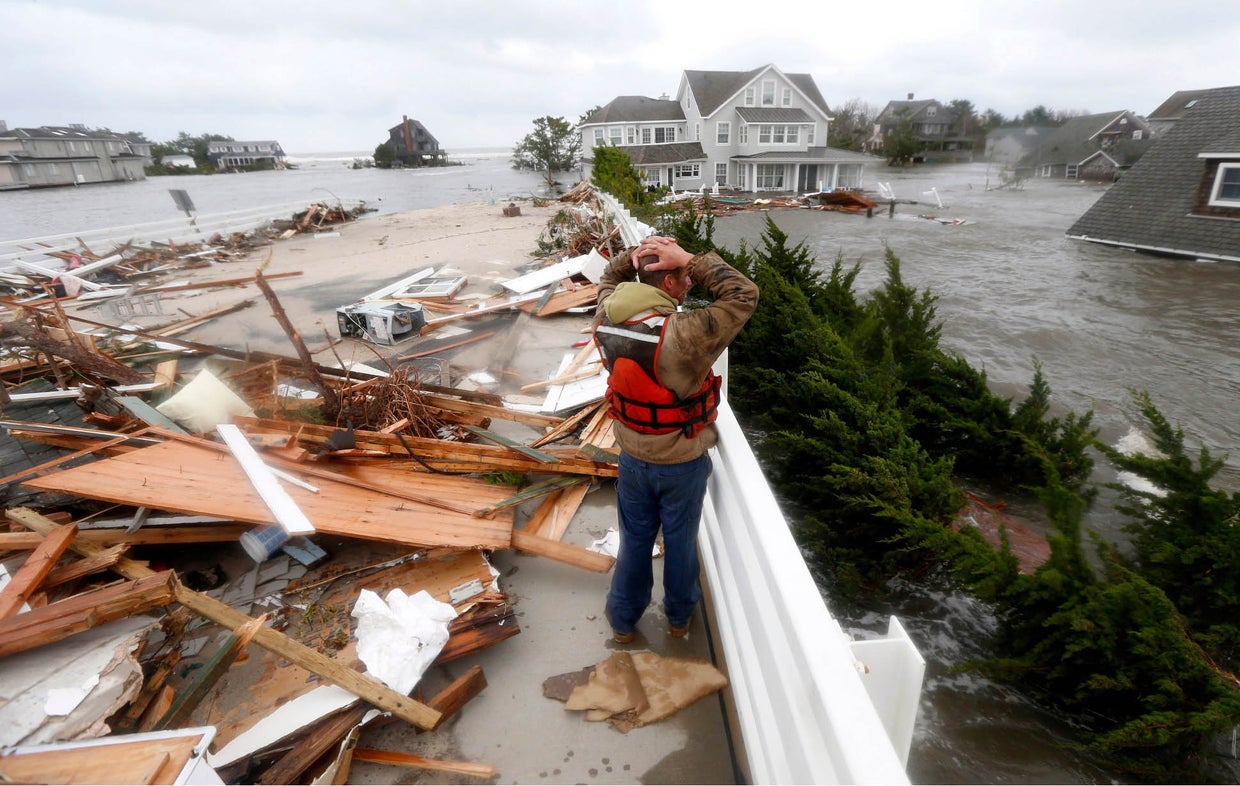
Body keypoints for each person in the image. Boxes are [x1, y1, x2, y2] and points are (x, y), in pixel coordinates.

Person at [593, 235, 758, 642]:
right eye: (684, 278)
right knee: (681, 544)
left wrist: (633, 260)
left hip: (631, 455)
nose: (688, 284)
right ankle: (679, 619)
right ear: (668, 285)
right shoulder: (685, 332)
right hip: (681, 462)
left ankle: (623, 622)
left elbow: (608, 281)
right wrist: (691, 258)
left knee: (634, 542)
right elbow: (742, 294)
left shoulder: (604, 316)